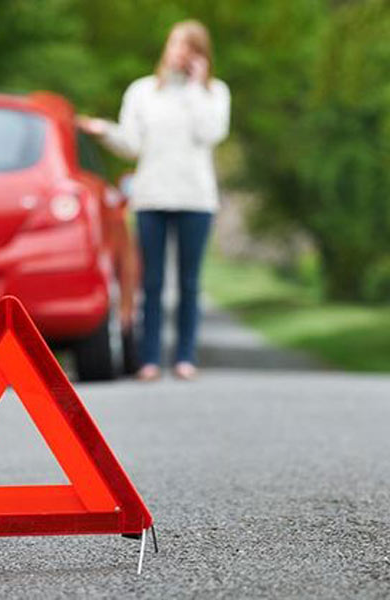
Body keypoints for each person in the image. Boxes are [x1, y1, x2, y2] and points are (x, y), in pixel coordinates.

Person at [77, 20, 230, 381]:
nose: (180, 52)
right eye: (176, 44)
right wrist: (104, 131)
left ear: (201, 55)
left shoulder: (214, 93)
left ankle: (185, 357)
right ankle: (148, 359)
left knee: (190, 282)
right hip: (151, 196)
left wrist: (196, 88)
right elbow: (132, 144)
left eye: (189, 47)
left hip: (195, 198)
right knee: (152, 281)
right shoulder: (143, 92)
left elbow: (210, 133)